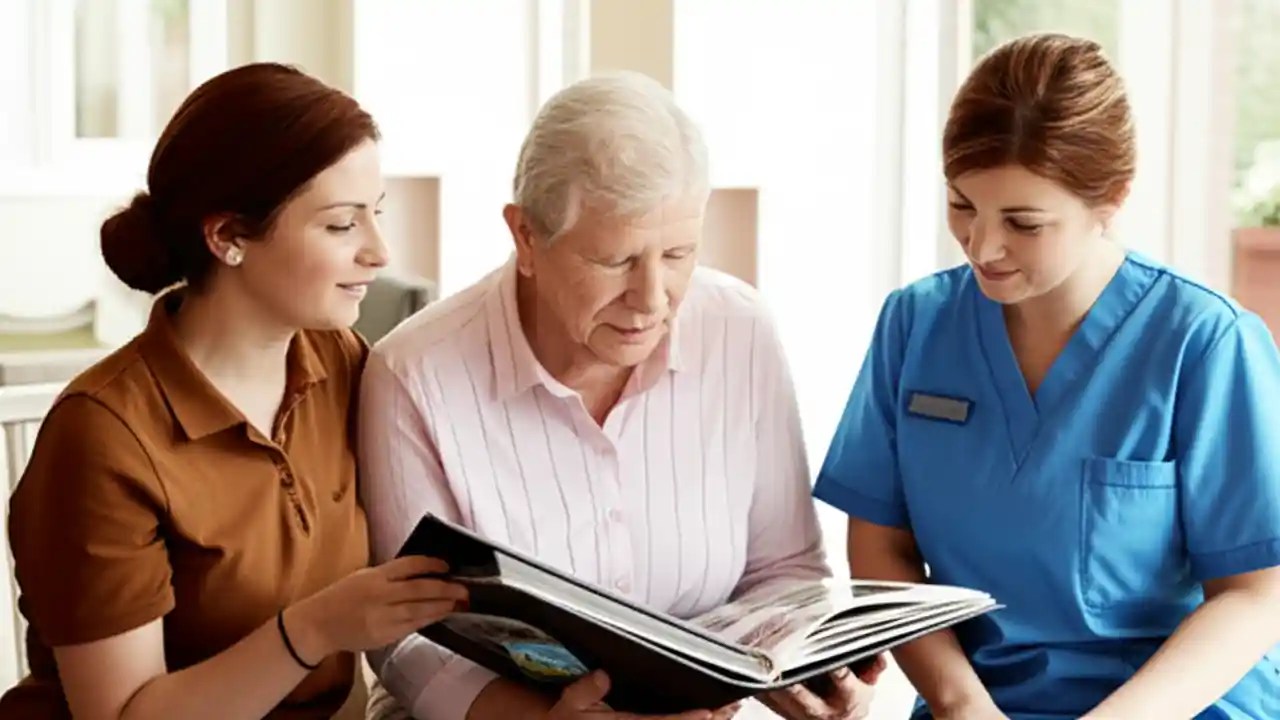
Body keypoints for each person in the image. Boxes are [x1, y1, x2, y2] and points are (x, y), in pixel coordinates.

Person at [357, 71, 883, 720]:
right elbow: (404, 633)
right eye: (615, 262)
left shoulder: (741, 329)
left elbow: (783, 570)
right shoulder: (413, 372)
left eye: (679, 254)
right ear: (525, 237)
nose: (653, 299)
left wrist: (806, 673)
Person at [813, 32, 1280, 720]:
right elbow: (882, 545)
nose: (982, 247)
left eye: (1023, 222)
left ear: (1112, 198)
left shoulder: (1204, 343)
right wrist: (958, 701)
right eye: (963, 206)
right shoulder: (916, 325)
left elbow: (1254, 596)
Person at [0, 63, 468, 719]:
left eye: (376, 214)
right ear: (227, 238)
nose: (380, 252)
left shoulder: (342, 363)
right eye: (341, 224)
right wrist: (315, 629)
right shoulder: (103, 435)